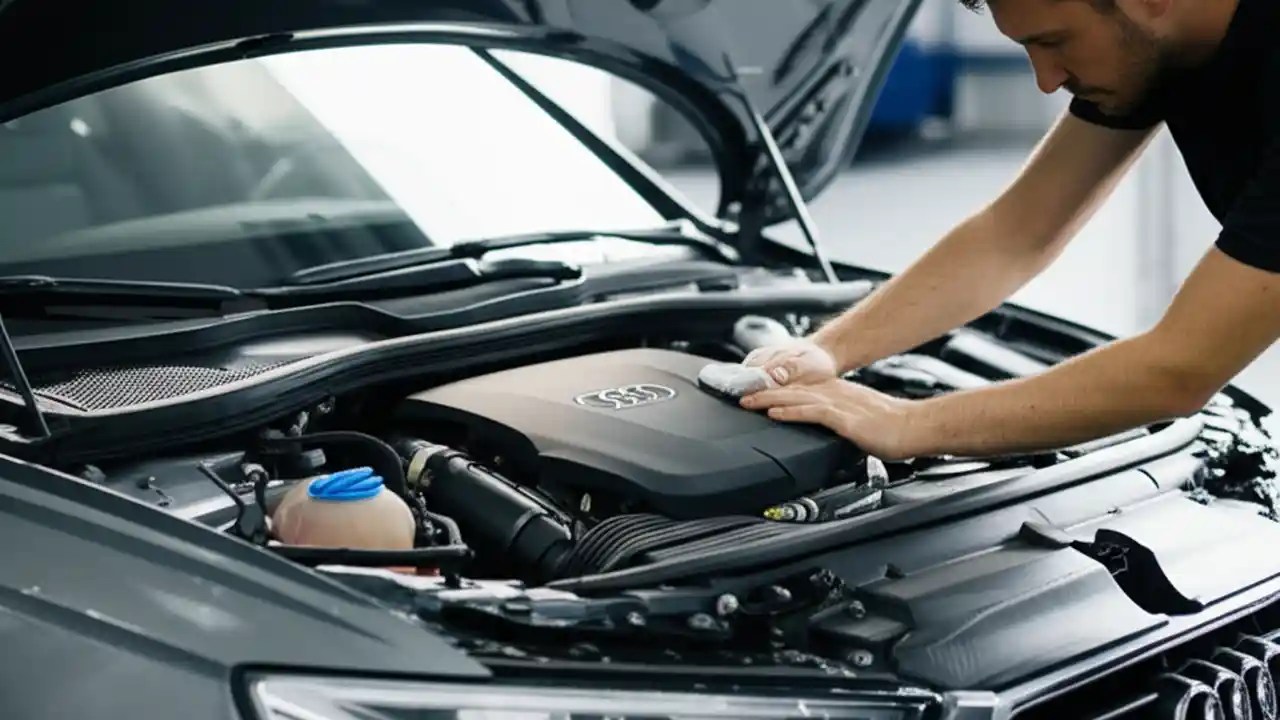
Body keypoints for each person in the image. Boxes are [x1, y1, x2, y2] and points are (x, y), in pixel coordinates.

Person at [739, 0, 1280, 461]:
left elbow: (1179, 367)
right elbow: (1015, 232)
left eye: (1053, 41)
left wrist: (910, 426)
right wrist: (829, 349)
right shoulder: (1158, 52)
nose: (1046, 81)